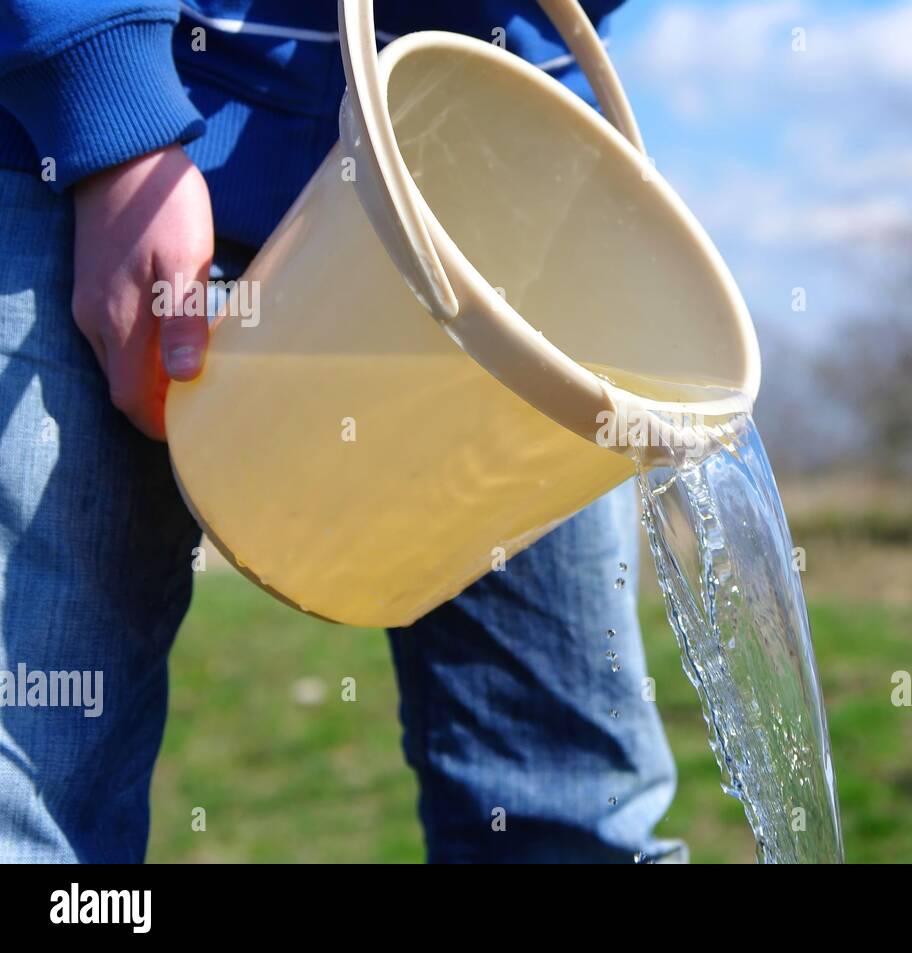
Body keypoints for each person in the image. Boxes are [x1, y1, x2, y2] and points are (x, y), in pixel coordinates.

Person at [0, 0, 682, 863]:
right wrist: (109, 108)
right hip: (125, 131)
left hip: (506, 177)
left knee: (570, 815)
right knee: (30, 781)